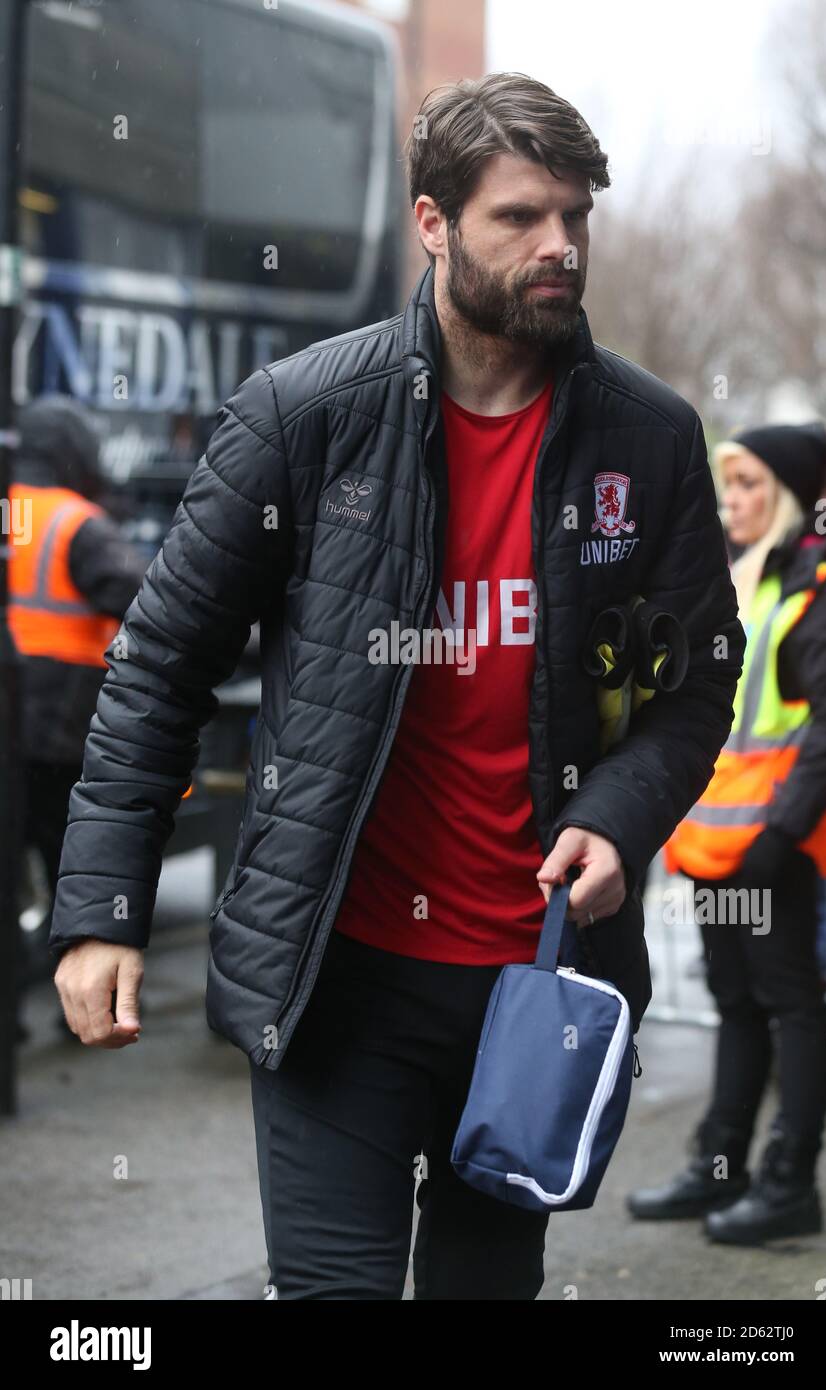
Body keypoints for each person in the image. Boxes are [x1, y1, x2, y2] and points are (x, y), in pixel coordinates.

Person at [48, 72, 744, 1300]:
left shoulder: (648, 435)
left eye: (575, 218)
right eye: (519, 217)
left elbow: (698, 687)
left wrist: (618, 814)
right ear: (432, 223)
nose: (558, 248)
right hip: (338, 979)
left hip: (531, 989)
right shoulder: (304, 414)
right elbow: (160, 661)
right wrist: (104, 907)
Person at [628, 422, 826, 1245]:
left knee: (790, 1005)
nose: (734, 499)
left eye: (751, 483)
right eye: (730, 484)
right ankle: (718, 1166)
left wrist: (779, 837)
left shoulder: (815, 592)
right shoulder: (734, 581)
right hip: (714, 846)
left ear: (786, 493)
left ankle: (790, 1183)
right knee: (736, 1005)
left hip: (771, 851)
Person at [8, 394, 147, 1002]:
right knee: (71, 865)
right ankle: (79, 1000)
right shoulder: (76, 523)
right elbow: (158, 607)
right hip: (62, 731)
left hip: (11, 725)